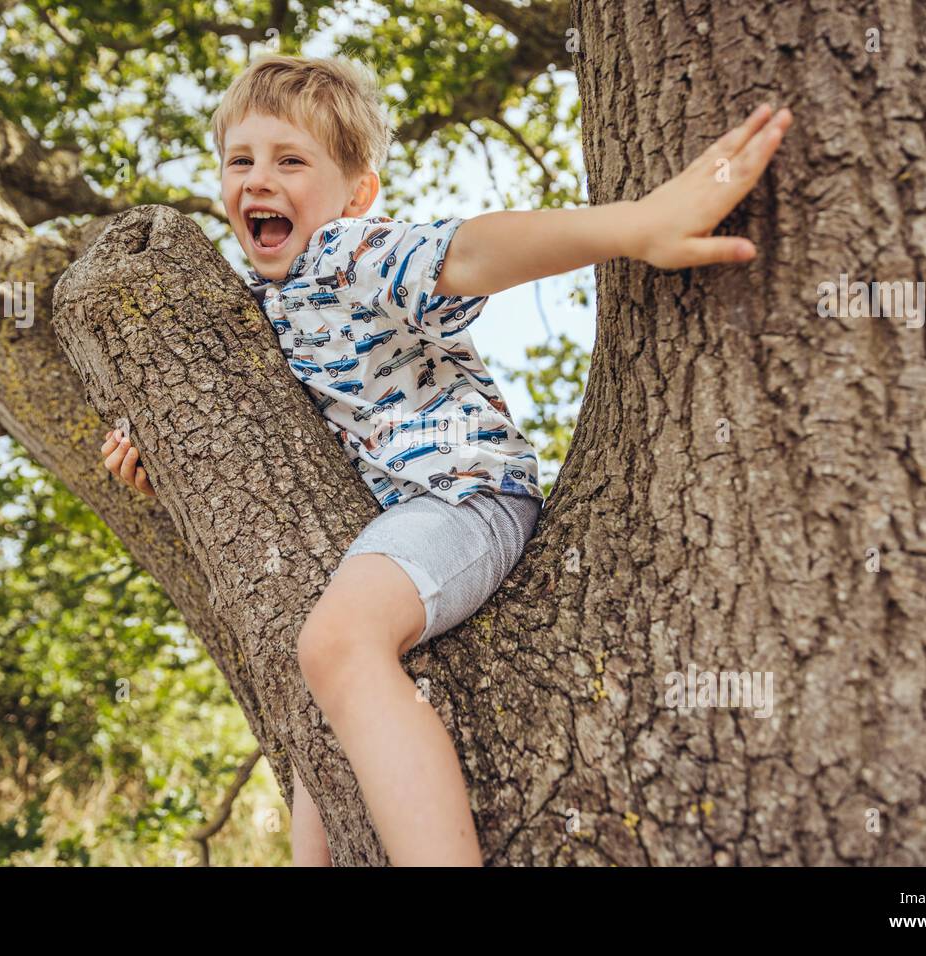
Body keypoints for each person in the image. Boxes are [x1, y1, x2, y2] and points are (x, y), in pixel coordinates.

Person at [100, 53, 793, 866]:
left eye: (292, 160)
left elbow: (466, 251)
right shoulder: (259, 310)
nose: (259, 178)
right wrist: (156, 449)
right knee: (314, 727)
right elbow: (228, 416)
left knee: (338, 644)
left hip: (463, 499)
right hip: (398, 531)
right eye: (240, 160)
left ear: (357, 193)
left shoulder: (348, 255)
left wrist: (633, 225)